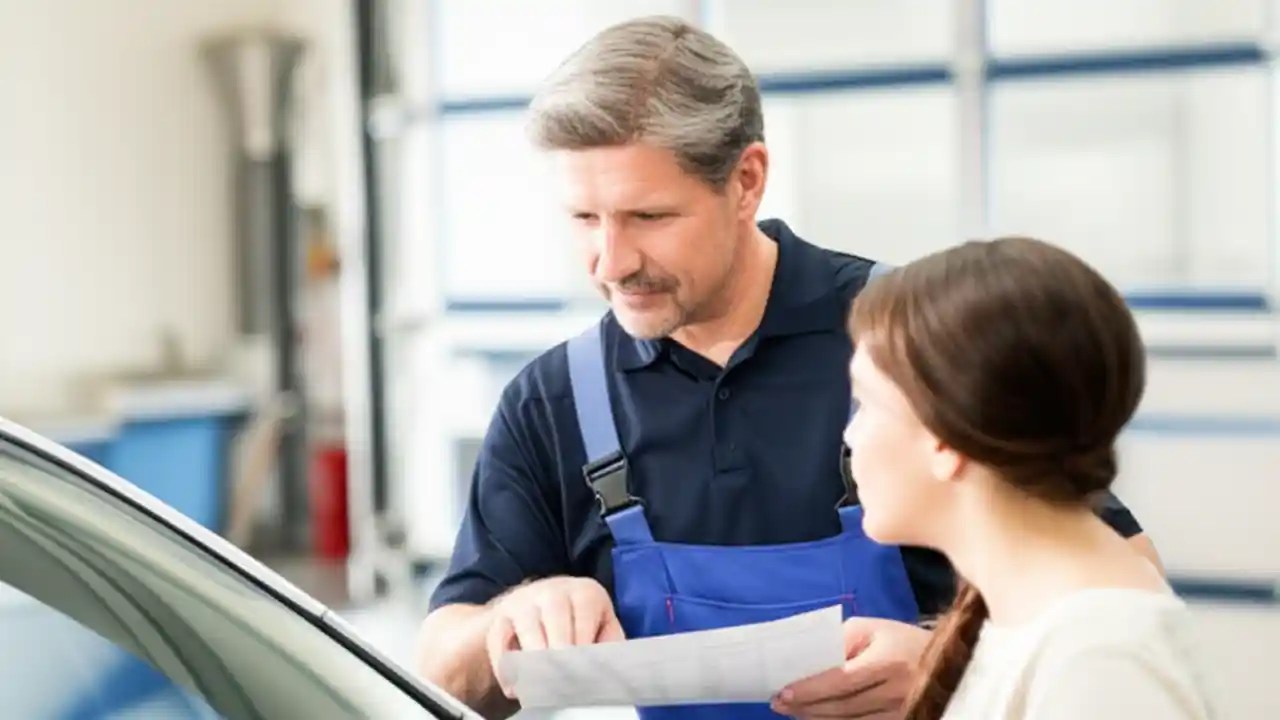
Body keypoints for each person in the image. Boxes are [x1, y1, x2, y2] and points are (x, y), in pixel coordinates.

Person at [416, 15, 1163, 720]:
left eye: (650, 217)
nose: (612, 263)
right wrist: (507, 622)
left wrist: (949, 666)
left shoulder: (910, 339)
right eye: (584, 219)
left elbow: (1124, 587)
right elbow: (444, 678)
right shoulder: (554, 401)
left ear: (746, 181)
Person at [810, 237, 1216, 720]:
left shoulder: (1099, 656)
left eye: (869, 404)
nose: (852, 436)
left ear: (944, 441)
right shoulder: (1027, 620)